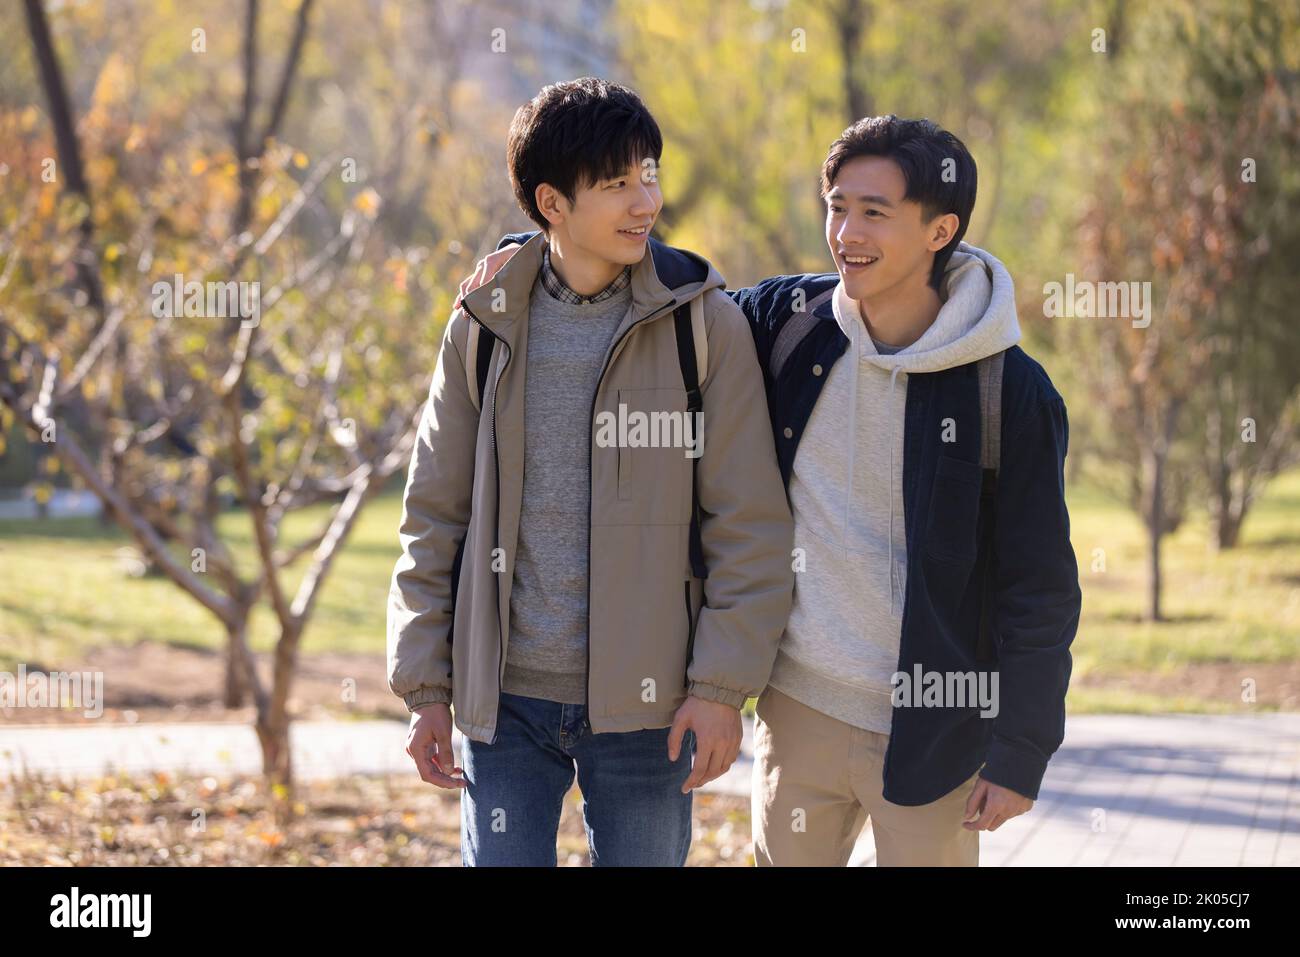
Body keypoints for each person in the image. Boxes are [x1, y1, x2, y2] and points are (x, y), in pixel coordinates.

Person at [472, 113, 1081, 867]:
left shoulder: (1007, 391)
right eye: (836, 205)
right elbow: (649, 274)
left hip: (935, 723)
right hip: (799, 712)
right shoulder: (792, 323)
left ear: (939, 229)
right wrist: (524, 253)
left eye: (874, 213)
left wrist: (1021, 751)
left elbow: (1042, 589)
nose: (845, 231)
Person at [386, 77, 794, 867]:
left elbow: (749, 524)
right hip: (503, 704)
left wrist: (718, 689)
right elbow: (435, 514)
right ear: (551, 203)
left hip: (650, 708)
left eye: (650, 174)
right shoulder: (483, 324)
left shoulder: (703, 326)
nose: (645, 201)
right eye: (616, 184)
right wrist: (425, 690)